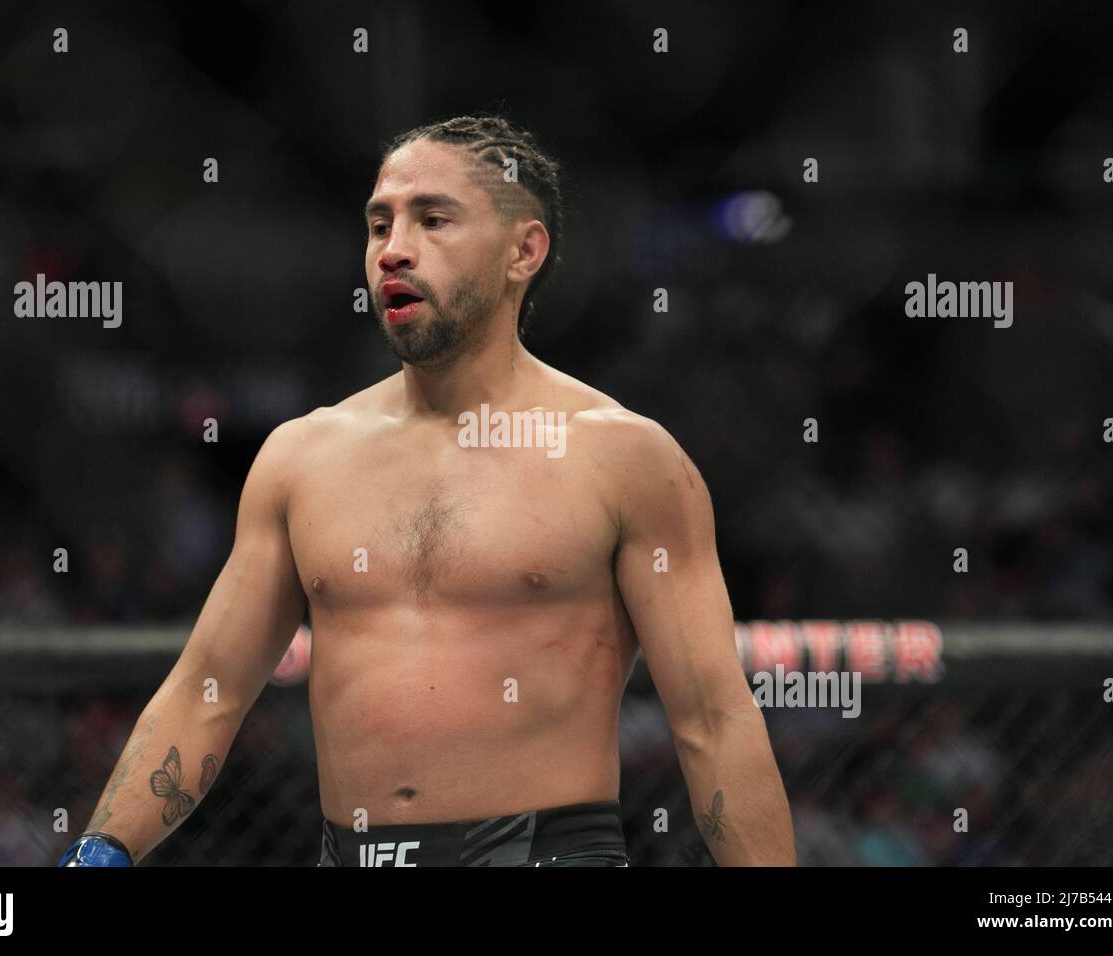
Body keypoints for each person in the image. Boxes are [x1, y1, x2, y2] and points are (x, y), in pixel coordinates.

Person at [60, 114, 794, 867]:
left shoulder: (624, 459)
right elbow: (207, 690)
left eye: (433, 219)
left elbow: (712, 719)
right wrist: (101, 850)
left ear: (523, 252)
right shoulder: (301, 458)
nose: (394, 250)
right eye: (380, 225)